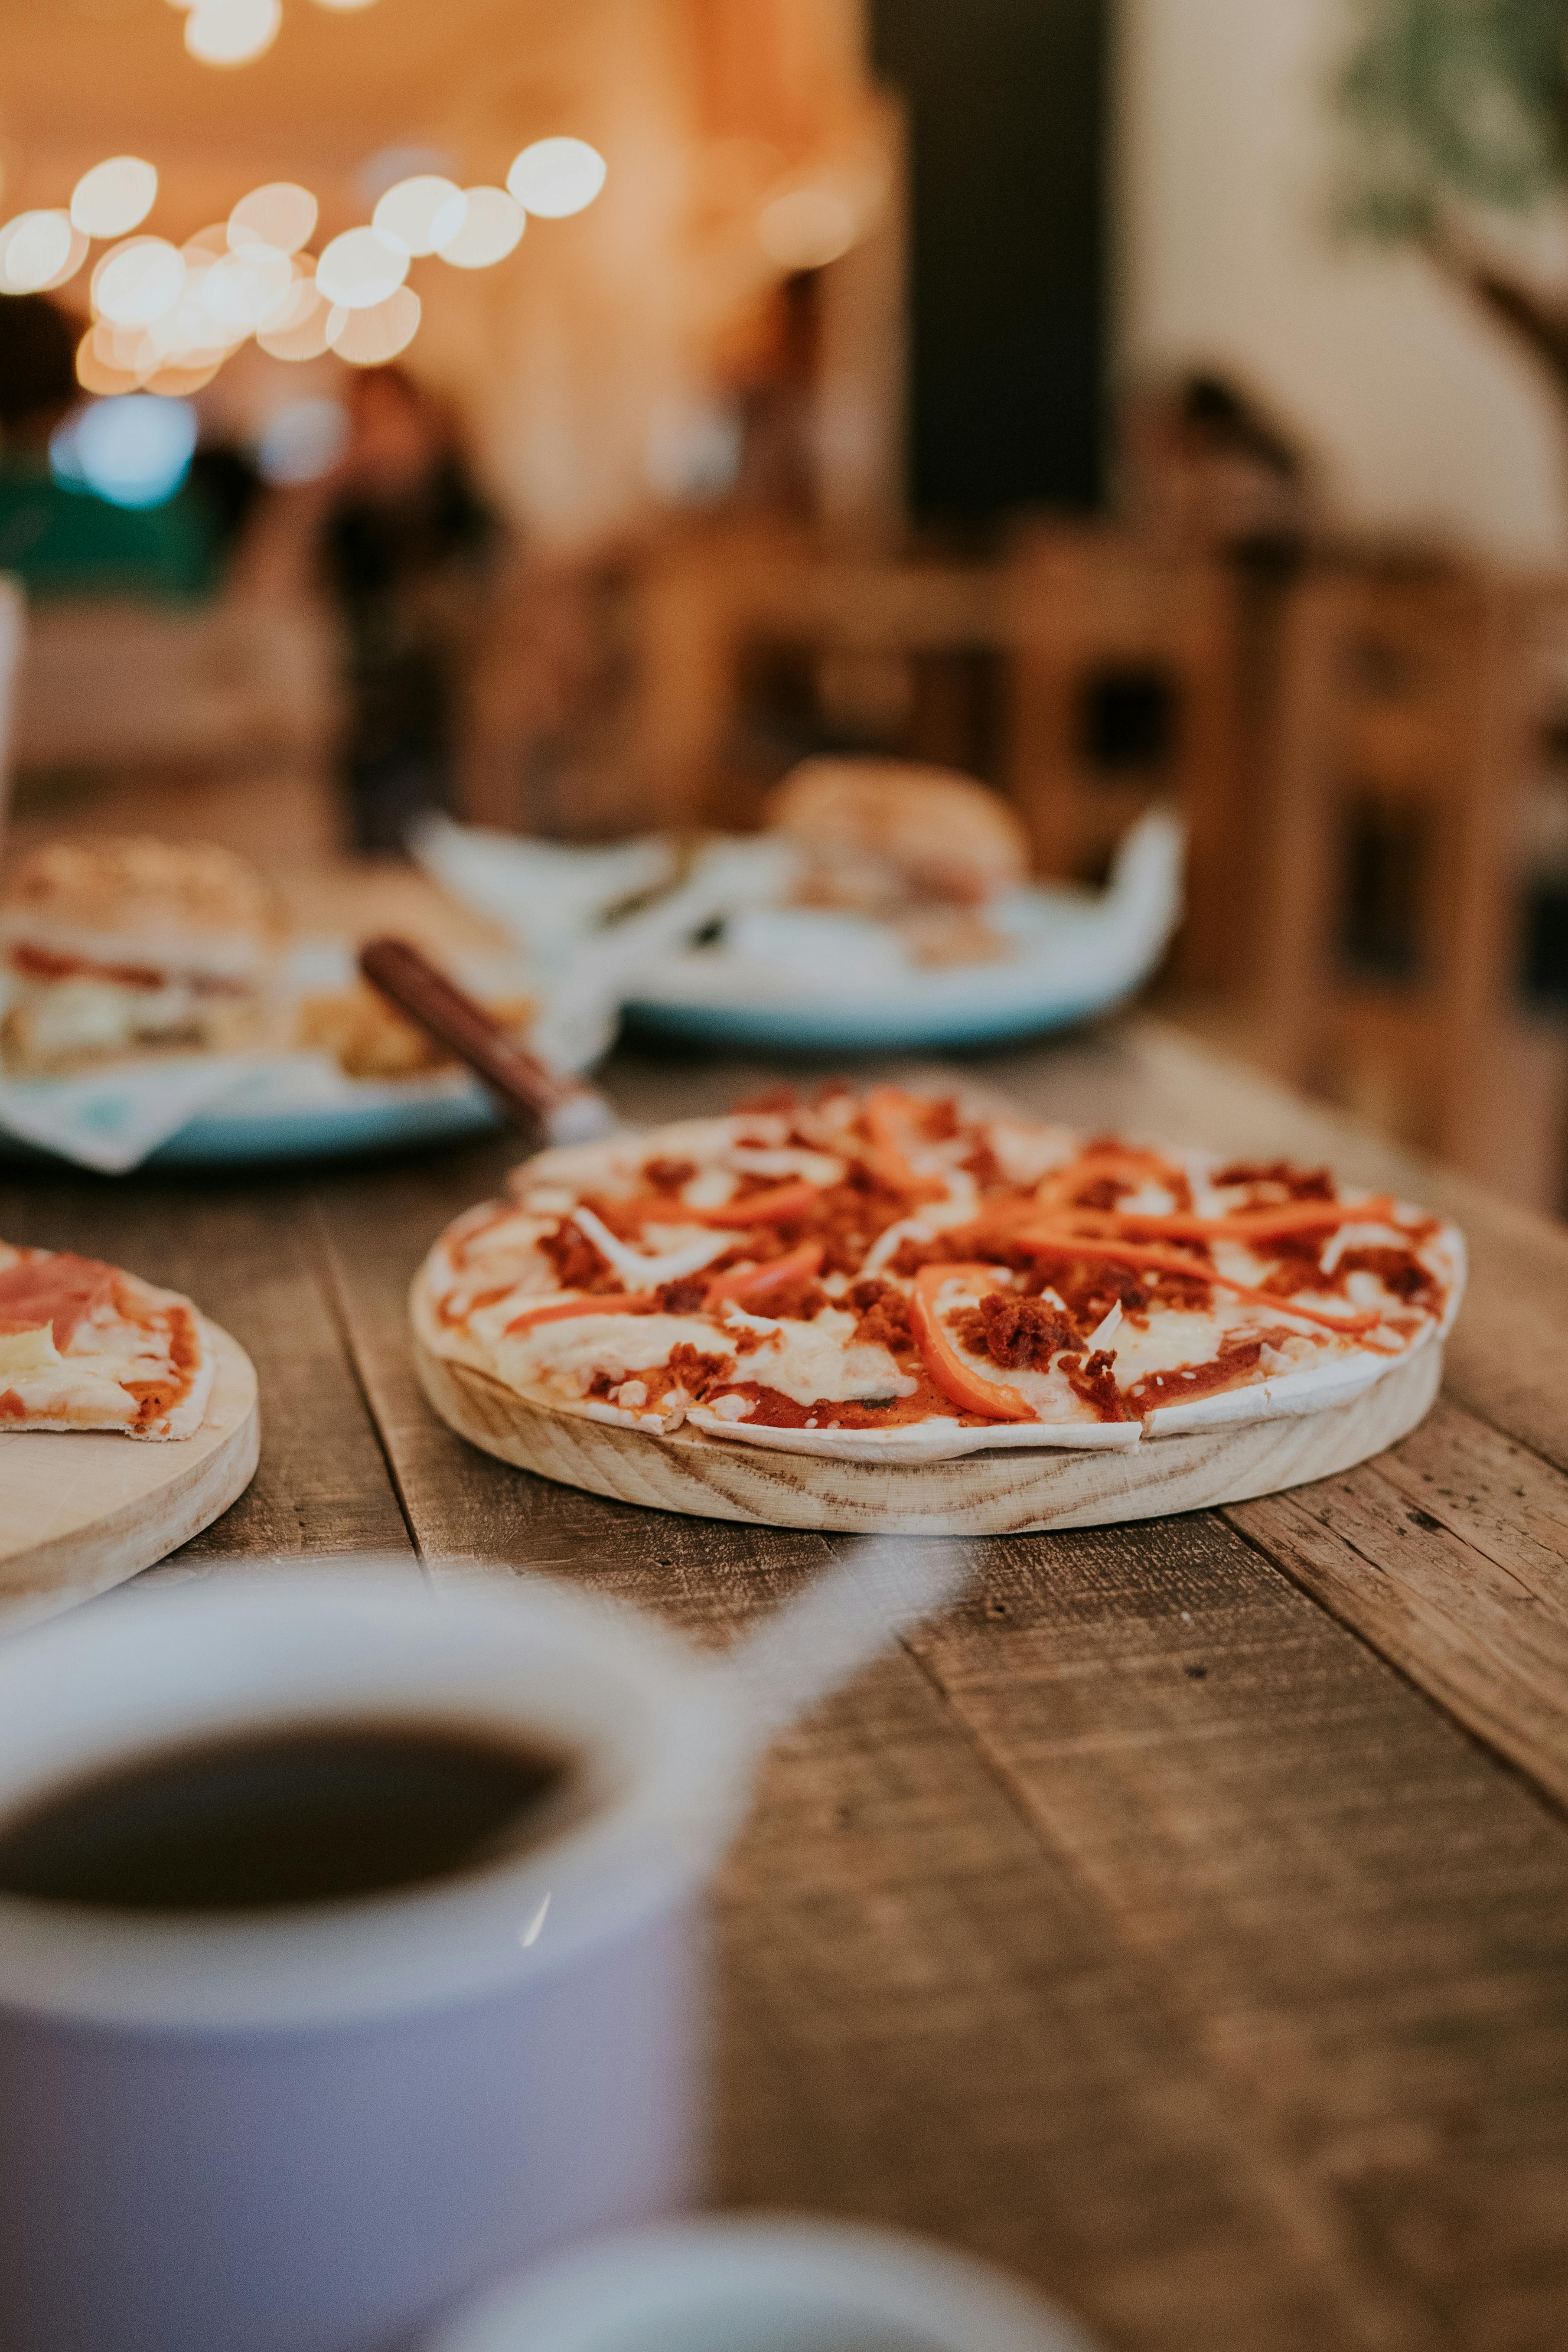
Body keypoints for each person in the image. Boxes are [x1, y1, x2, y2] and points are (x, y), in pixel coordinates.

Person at [317, 365, 502, 854]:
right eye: (360, 425)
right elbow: (257, 601)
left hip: (463, 734)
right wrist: (313, 497)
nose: (377, 441)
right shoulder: (345, 524)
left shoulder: (469, 512)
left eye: (386, 421)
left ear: (424, 423)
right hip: (364, 740)